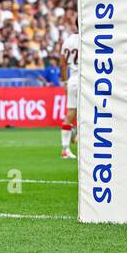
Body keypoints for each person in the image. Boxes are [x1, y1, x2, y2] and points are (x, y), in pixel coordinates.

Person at [58, 11, 78, 159]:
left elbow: (62, 63)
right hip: (85, 80)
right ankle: (76, 135)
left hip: (73, 79)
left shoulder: (68, 40)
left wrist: (65, 81)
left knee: (71, 113)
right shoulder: (89, 40)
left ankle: (65, 149)